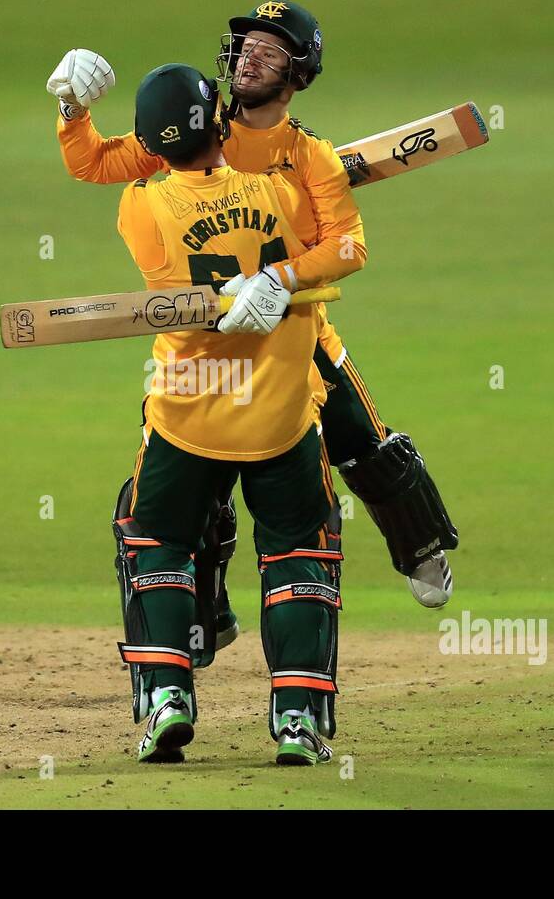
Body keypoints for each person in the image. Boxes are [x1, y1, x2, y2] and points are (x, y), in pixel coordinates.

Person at [47, 1, 457, 651]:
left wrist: (278, 280)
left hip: (297, 335)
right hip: (204, 346)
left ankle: (421, 547)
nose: (250, 56)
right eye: (244, 45)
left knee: (366, 448)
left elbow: (349, 247)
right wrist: (72, 107)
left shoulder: (310, 155)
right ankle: (205, 617)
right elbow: (93, 164)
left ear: (298, 70)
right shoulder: (194, 129)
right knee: (191, 480)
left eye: (269, 48)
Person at [113, 62, 353, 765]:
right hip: (279, 413)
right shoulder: (281, 191)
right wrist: (282, 279)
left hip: (189, 414)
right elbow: (338, 250)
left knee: (155, 537)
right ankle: (298, 721)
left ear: (152, 147)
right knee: (299, 549)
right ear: (217, 118)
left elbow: (169, 290)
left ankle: (166, 697)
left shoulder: (140, 205)